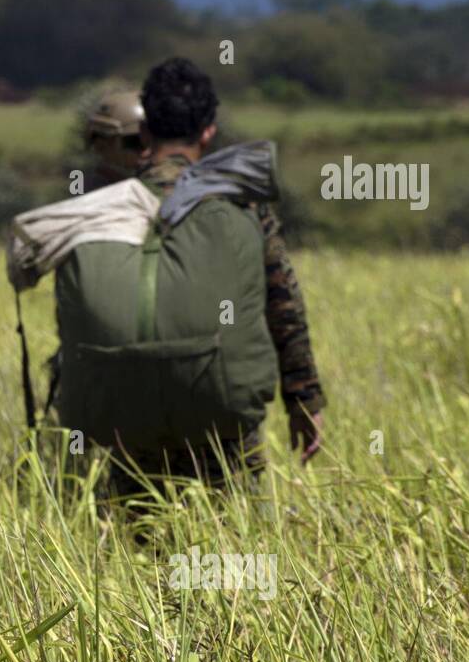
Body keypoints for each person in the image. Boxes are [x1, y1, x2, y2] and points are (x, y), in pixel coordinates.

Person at [123, 57, 325, 490]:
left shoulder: (117, 204)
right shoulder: (241, 206)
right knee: (239, 545)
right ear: (209, 131)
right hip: (224, 419)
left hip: (131, 417)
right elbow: (282, 301)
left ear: (144, 131)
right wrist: (304, 398)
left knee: (134, 546)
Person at [81, 89, 149, 193]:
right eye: (136, 142)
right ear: (102, 146)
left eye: (154, 142)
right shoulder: (90, 196)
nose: (147, 152)